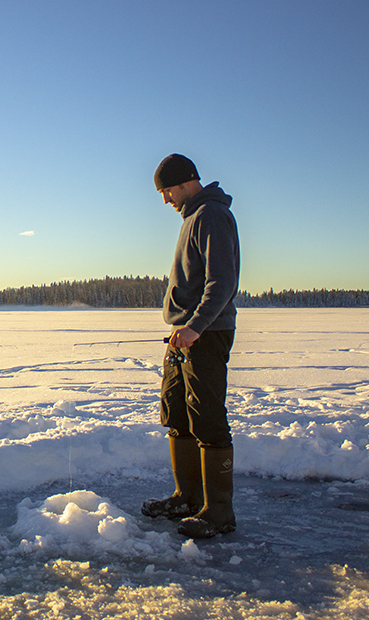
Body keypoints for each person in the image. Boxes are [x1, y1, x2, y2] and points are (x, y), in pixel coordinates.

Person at [141, 154, 240, 539]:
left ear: (184, 183)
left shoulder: (211, 216)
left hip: (206, 334)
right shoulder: (192, 219)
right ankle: (186, 496)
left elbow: (222, 282)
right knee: (177, 412)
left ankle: (219, 512)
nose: (165, 200)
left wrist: (196, 327)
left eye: (166, 191)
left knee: (208, 418)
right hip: (184, 334)